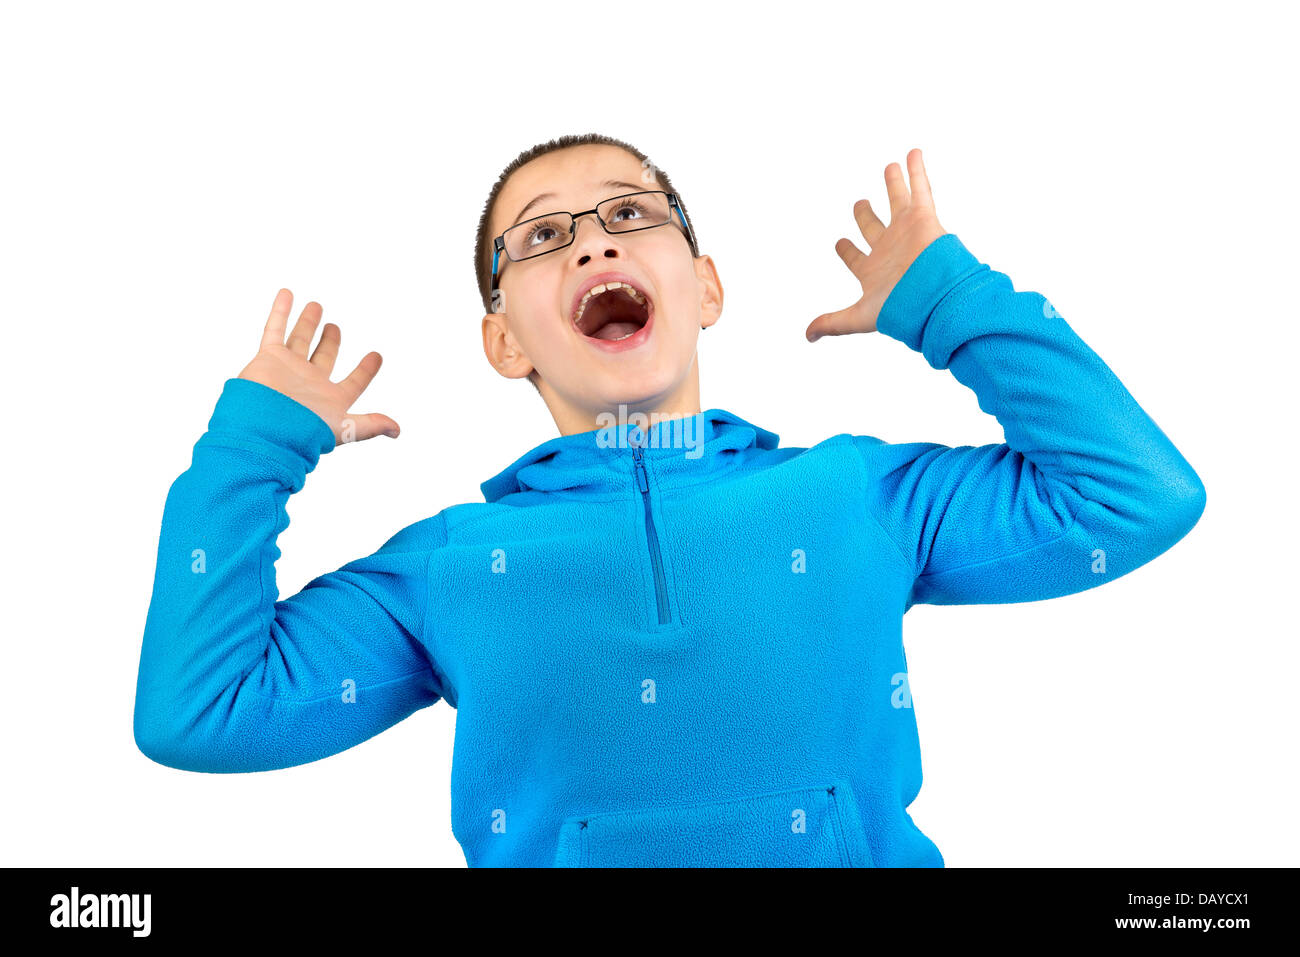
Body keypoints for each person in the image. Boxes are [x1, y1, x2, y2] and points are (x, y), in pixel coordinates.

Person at [133, 133, 1206, 867]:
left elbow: (1133, 498)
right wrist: (250, 455)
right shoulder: (450, 565)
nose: (595, 241)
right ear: (504, 341)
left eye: (628, 215)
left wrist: (951, 302)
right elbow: (199, 714)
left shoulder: (855, 492)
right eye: (543, 237)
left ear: (705, 288)